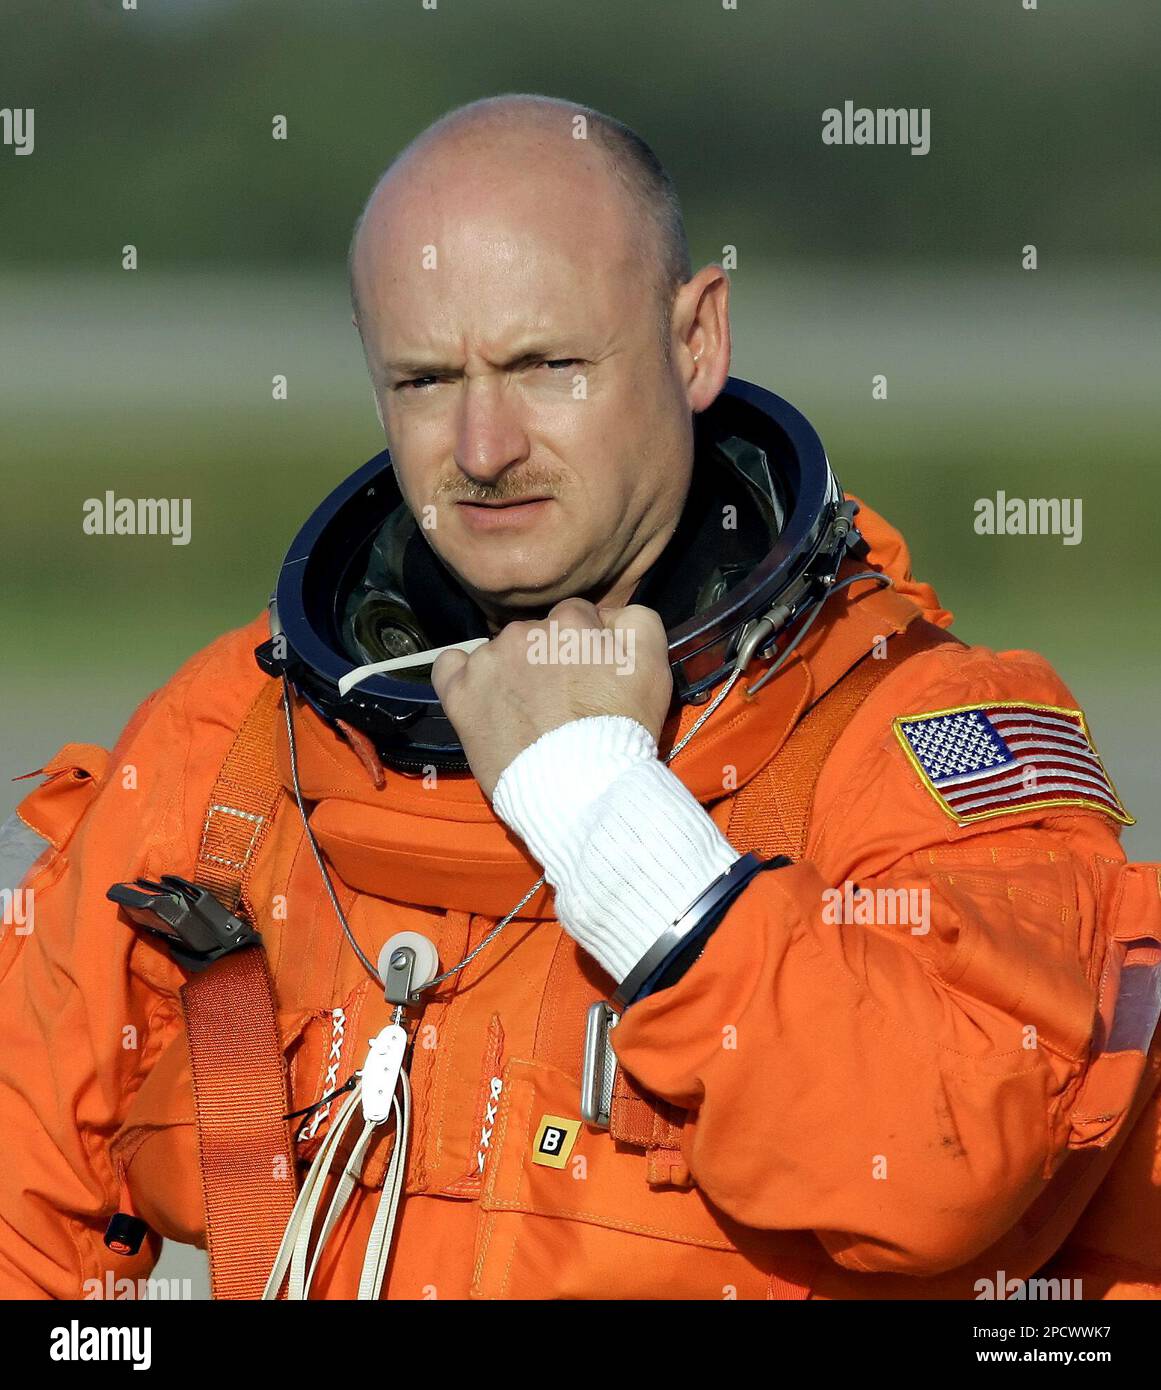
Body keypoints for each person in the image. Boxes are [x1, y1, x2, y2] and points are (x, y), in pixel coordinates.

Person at [1, 93, 1157, 1302]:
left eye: (547, 365)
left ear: (697, 338)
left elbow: (943, 1164)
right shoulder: (236, 744)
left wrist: (610, 818)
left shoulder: (909, 735)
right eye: (425, 378)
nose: (485, 446)